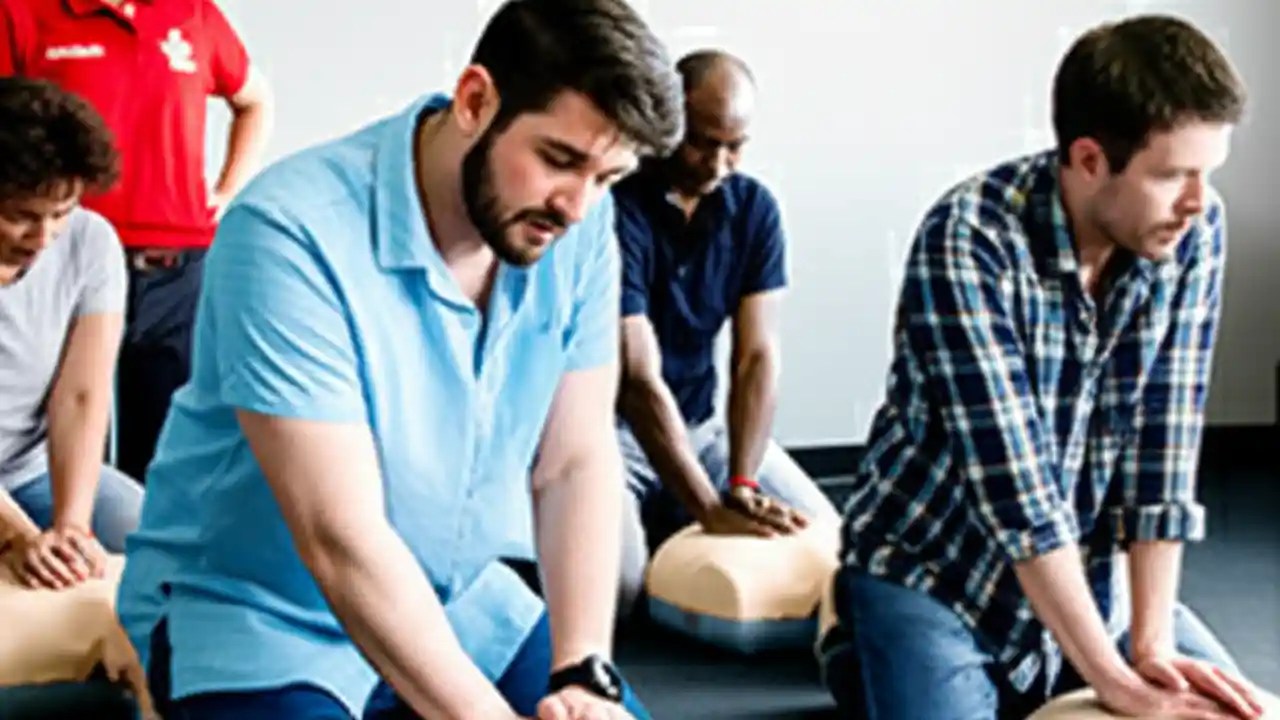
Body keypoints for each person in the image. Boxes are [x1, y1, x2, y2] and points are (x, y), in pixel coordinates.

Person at [114, 0, 683, 718]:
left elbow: (574, 460)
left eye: (608, 177)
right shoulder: (290, 232)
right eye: (558, 159)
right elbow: (340, 539)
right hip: (263, 613)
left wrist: (582, 672)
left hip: (464, 604)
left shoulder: (581, 221)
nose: (576, 205)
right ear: (475, 100)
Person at [819, 14, 1266, 720]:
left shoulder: (1192, 230)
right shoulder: (968, 240)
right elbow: (1018, 497)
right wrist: (1117, 686)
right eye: (1173, 174)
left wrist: (1146, 646)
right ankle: (856, 645)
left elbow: (1164, 444)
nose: (1197, 200)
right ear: (1089, 160)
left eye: (1207, 172)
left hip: (1090, 578)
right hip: (937, 575)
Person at [0, 0, 274, 483]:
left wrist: (227, 191)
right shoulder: (23, 11)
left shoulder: (193, 14)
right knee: (66, 435)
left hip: (177, 268)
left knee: (169, 447)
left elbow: (254, 101)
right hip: (62, 259)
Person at [612, 49, 839, 614]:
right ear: (668, 127)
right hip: (615, 434)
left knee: (831, 544)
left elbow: (756, 356)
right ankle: (668, 513)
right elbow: (636, 380)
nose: (718, 163)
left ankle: (678, 509)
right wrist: (708, 508)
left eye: (734, 146)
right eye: (702, 142)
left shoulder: (755, 209)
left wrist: (740, 480)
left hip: (703, 427)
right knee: (617, 587)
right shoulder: (616, 208)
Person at [0, 76, 143, 591]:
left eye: (61, 213)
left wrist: (72, 527)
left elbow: (82, 397)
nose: (44, 238)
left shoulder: (91, 242)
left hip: (29, 470)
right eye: (22, 217)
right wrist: (16, 538)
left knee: (148, 537)